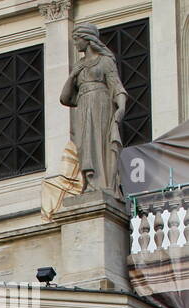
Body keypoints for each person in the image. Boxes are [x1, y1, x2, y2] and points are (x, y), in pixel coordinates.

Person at [60, 24, 128, 194]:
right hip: (83, 106)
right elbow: (64, 98)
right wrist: (72, 75)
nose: (75, 44)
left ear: (87, 39)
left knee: (100, 142)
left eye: (77, 40)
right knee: (84, 146)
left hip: (101, 105)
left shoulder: (105, 61)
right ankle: (89, 183)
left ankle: (101, 183)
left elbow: (117, 87)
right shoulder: (79, 66)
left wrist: (121, 107)